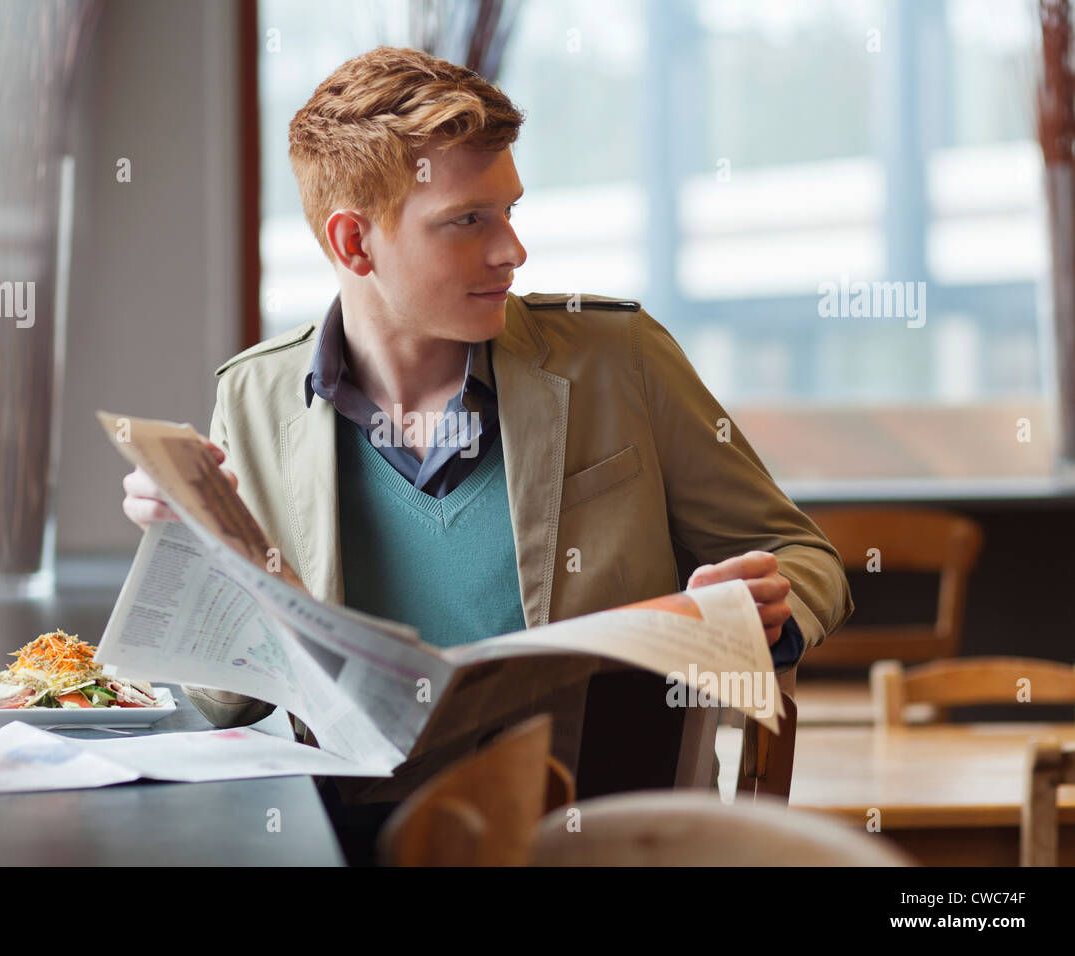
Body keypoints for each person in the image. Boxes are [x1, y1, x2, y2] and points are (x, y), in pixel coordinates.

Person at [121, 46, 853, 865]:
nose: (512, 250)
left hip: (590, 836)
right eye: (469, 220)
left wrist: (767, 605)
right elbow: (226, 704)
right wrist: (189, 552)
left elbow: (804, 557)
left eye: (509, 211)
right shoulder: (254, 400)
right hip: (349, 840)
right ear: (354, 242)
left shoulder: (621, 359)